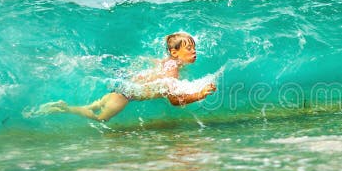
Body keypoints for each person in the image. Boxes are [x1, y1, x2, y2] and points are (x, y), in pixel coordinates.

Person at [32, 32, 216, 122]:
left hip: (122, 90)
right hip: (124, 96)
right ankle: (64, 109)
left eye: (194, 48)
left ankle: (65, 107)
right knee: (100, 119)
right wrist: (201, 94)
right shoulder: (172, 70)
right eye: (189, 49)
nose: (194, 53)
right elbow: (175, 101)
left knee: (95, 106)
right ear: (175, 53)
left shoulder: (167, 61)